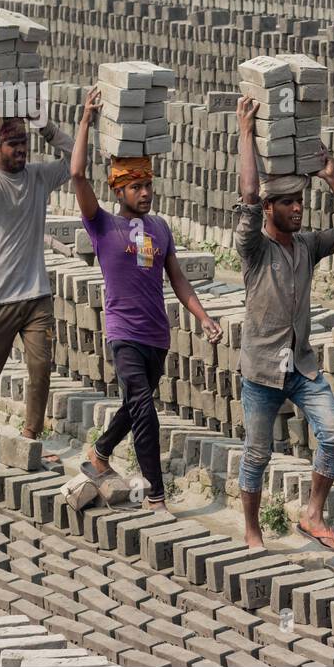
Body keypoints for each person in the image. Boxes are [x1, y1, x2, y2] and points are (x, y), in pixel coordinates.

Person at [71, 87, 223, 511]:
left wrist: (204, 318)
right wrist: (86, 120)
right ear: (118, 191)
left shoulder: (160, 228)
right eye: (135, 186)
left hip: (158, 335)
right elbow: (79, 176)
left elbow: (179, 282)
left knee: (135, 404)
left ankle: (99, 454)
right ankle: (156, 494)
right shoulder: (102, 225)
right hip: (124, 333)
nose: (144, 192)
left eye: (148, 184)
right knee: (144, 409)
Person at [233, 95, 334, 551]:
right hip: (262, 369)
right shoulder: (255, 250)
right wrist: (246, 133)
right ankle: (252, 530)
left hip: (301, 366)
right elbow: (248, 196)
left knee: (332, 434)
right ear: (269, 210)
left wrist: (330, 178)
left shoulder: (307, 246)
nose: (297, 208)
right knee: (257, 453)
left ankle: (313, 514)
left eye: (300, 200)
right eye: (287, 202)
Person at [0, 95, 73, 457]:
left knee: (41, 367)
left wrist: (45, 126)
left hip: (36, 295)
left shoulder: (39, 177)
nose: (21, 149)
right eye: (13, 143)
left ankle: (31, 438)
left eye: (24, 142)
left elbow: (76, 161)